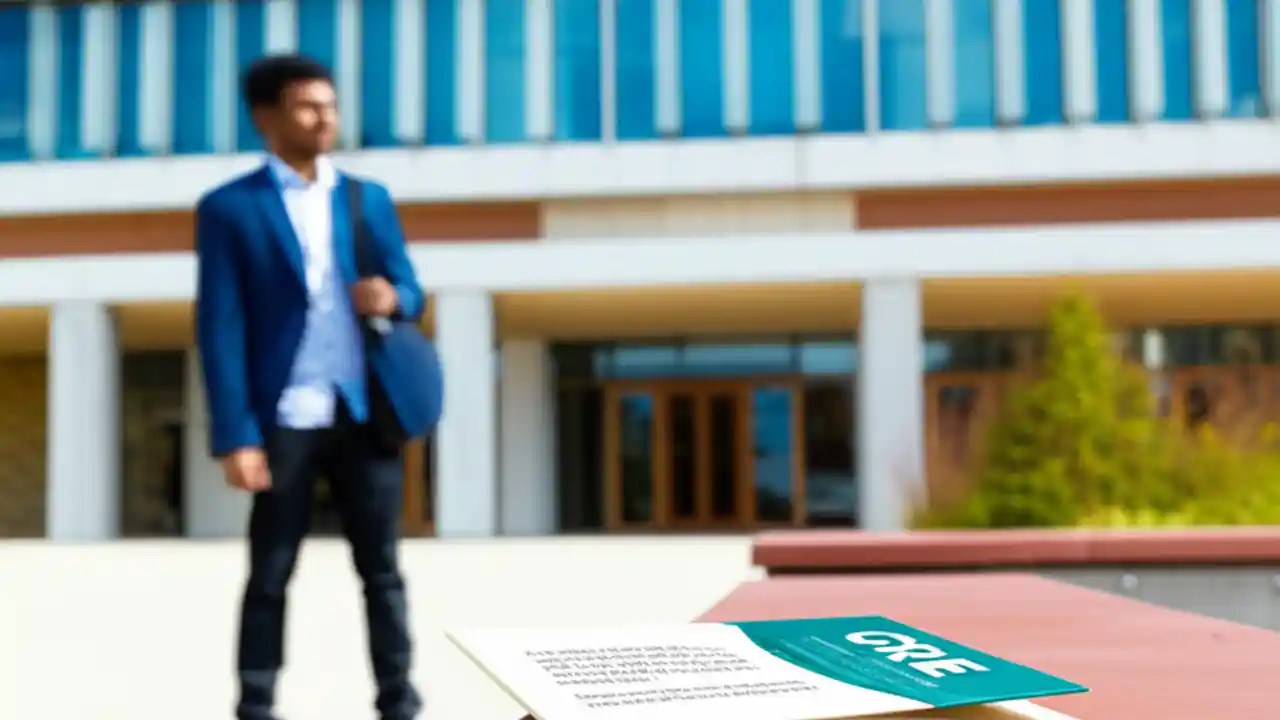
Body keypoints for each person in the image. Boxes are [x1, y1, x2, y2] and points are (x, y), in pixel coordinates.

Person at [194, 54, 425, 720]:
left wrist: (392, 297)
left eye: (330, 105)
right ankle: (256, 704)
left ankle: (399, 702)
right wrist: (236, 436)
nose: (325, 118)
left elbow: (412, 289)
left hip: (362, 412)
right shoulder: (230, 209)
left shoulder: (366, 199)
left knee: (383, 572)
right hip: (284, 417)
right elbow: (220, 326)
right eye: (307, 105)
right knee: (269, 573)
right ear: (266, 117)